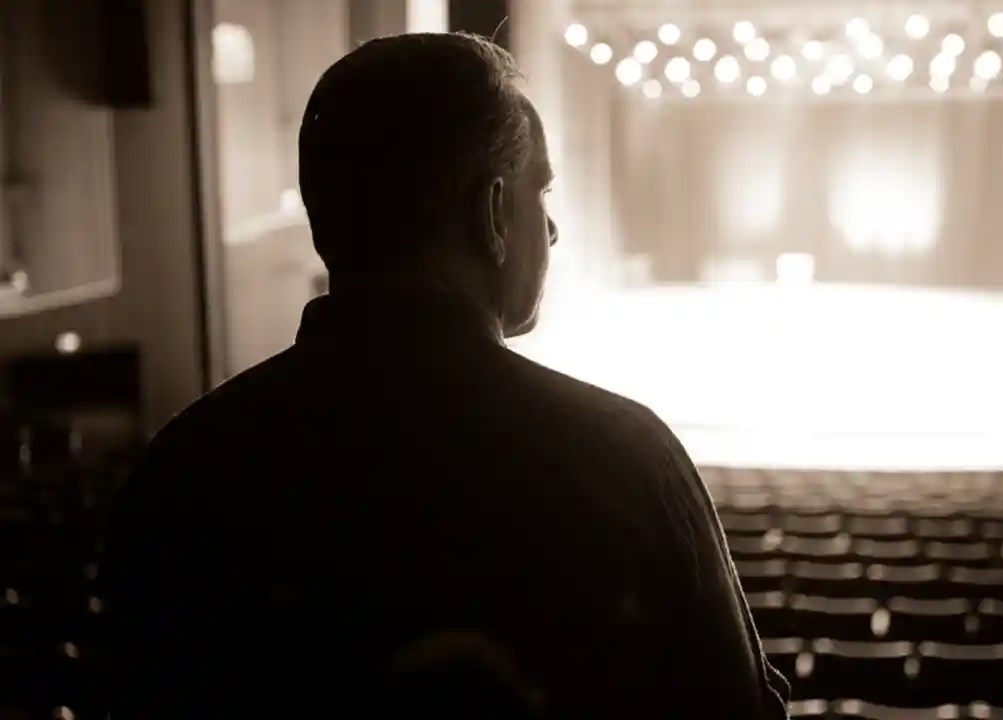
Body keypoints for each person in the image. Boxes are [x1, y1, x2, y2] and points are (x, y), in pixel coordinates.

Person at [102, 32, 789, 718]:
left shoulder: (180, 472)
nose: (550, 231)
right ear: (493, 215)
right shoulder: (630, 460)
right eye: (539, 193)